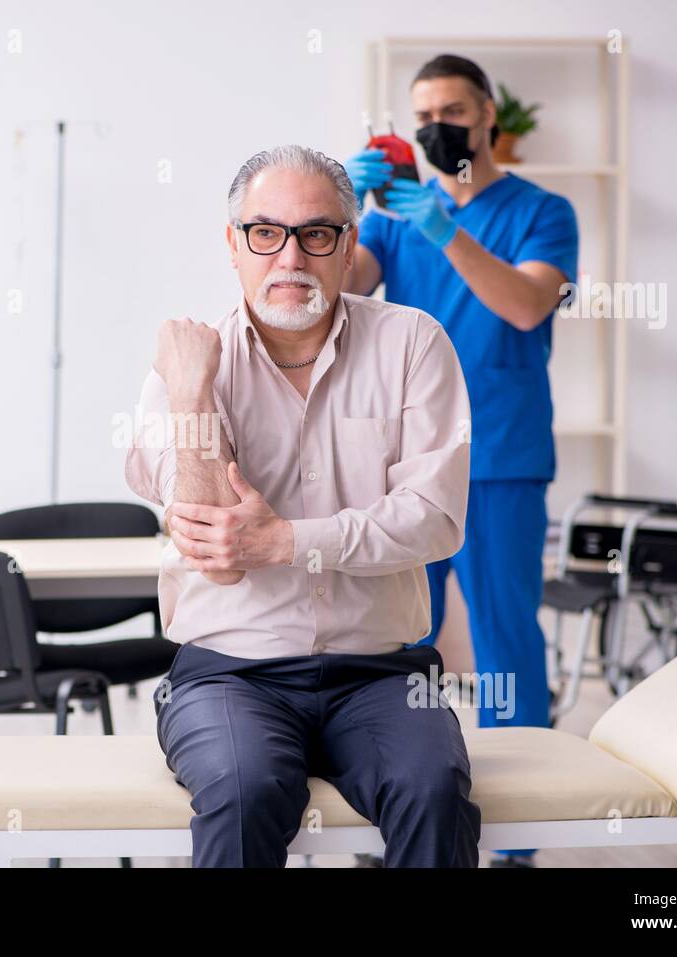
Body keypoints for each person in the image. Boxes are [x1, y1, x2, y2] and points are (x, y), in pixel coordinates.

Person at [123, 144, 480, 867]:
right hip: (229, 672)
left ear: (349, 247)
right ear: (234, 245)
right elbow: (213, 557)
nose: (291, 256)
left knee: (434, 787)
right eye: (266, 232)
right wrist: (194, 392)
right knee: (246, 788)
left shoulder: (413, 343)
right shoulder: (188, 364)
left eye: (317, 233)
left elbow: (436, 518)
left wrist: (289, 540)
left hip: (381, 673)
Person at [344, 54, 580, 867]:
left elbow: (524, 303)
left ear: (487, 119)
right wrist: (339, 208)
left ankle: (518, 840)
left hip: (502, 457)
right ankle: (402, 816)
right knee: (395, 641)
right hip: (406, 461)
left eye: (451, 109)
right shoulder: (387, 218)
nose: (436, 126)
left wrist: (447, 230)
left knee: (505, 636)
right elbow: (329, 288)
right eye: (423, 115)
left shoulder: (544, 211)